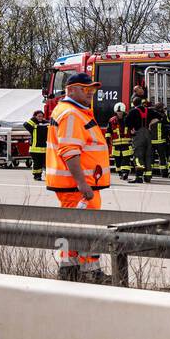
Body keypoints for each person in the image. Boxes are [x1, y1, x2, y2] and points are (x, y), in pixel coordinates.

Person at [44, 72, 110, 280]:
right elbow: (70, 151)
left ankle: (69, 269)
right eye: (85, 89)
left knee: (72, 227)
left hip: (74, 185)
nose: (90, 93)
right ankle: (90, 272)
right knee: (87, 228)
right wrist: (82, 183)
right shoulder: (72, 114)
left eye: (92, 89)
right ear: (71, 90)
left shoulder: (72, 111)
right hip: (78, 186)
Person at [123, 96, 155, 184]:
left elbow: (126, 121)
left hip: (139, 135)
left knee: (138, 156)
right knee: (148, 155)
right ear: (141, 102)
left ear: (133, 103)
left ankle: (139, 177)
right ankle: (148, 177)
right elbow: (160, 116)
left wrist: (132, 128)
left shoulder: (133, 111)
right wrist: (150, 124)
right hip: (148, 134)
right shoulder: (149, 110)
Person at [107, 102, 132, 180]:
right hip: (116, 144)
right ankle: (120, 172)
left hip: (126, 144)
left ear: (123, 111)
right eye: (118, 112)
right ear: (116, 112)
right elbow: (108, 131)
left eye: (121, 112)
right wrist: (107, 140)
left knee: (126, 159)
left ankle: (125, 173)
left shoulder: (128, 119)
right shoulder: (112, 120)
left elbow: (132, 128)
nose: (119, 113)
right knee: (118, 160)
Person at [24, 109, 48, 181]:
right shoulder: (32, 125)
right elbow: (26, 124)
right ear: (35, 117)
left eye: (42, 116)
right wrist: (34, 119)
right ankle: (37, 176)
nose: (40, 118)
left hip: (45, 149)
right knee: (37, 164)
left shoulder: (46, 123)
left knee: (46, 164)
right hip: (35, 149)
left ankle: (49, 176)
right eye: (38, 116)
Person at [150, 102, 169, 177]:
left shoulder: (151, 116)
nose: (164, 110)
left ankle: (149, 173)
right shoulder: (163, 116)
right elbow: (167, 126)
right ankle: (164, 173)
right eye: (163, 109)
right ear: (160, 109)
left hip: (151, 141)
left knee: (150, 158)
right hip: (160, 141)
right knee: (162, 158)